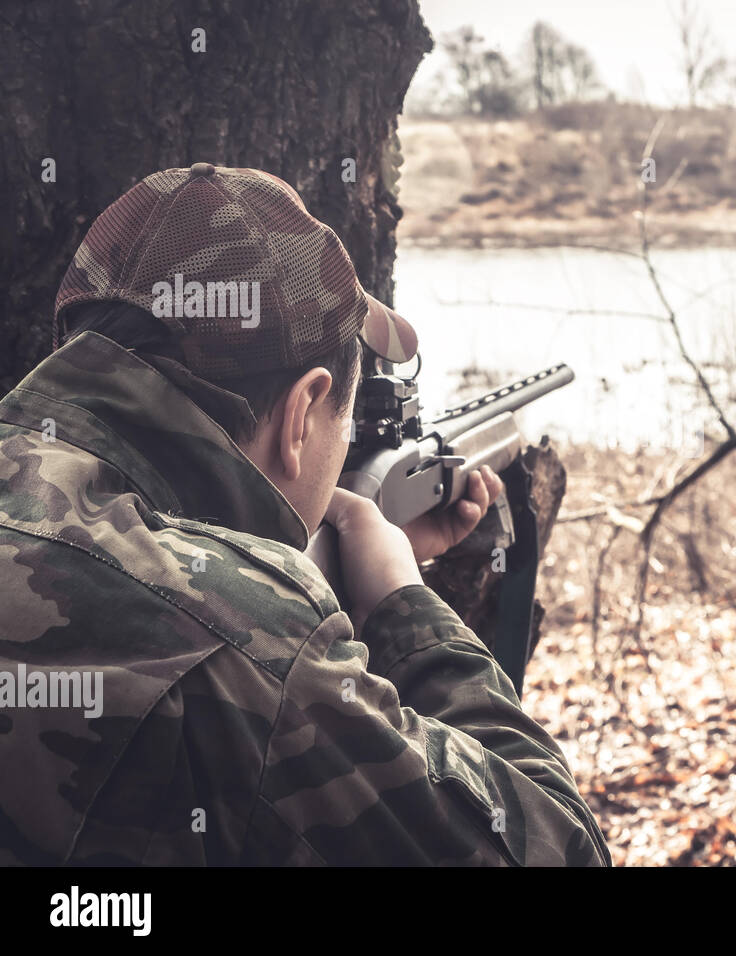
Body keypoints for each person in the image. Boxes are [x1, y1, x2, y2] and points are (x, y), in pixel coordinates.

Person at [0, 162, 611, 866]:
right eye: (344, 420)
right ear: (300, 415)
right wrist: (402, 601)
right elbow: (559, 846)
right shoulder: (252, 641)